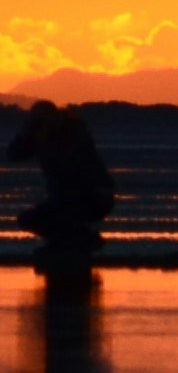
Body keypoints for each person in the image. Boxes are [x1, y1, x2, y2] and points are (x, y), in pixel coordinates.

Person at [12, 99, 114, 261]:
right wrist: (26, 133)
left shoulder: (73, 132)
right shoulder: (41, 134)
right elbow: (15, 155)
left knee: (62, 213)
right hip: (66, 198)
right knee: (29, 219)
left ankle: (82, 241)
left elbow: (74, 168)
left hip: (93, 197)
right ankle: (63, 244)